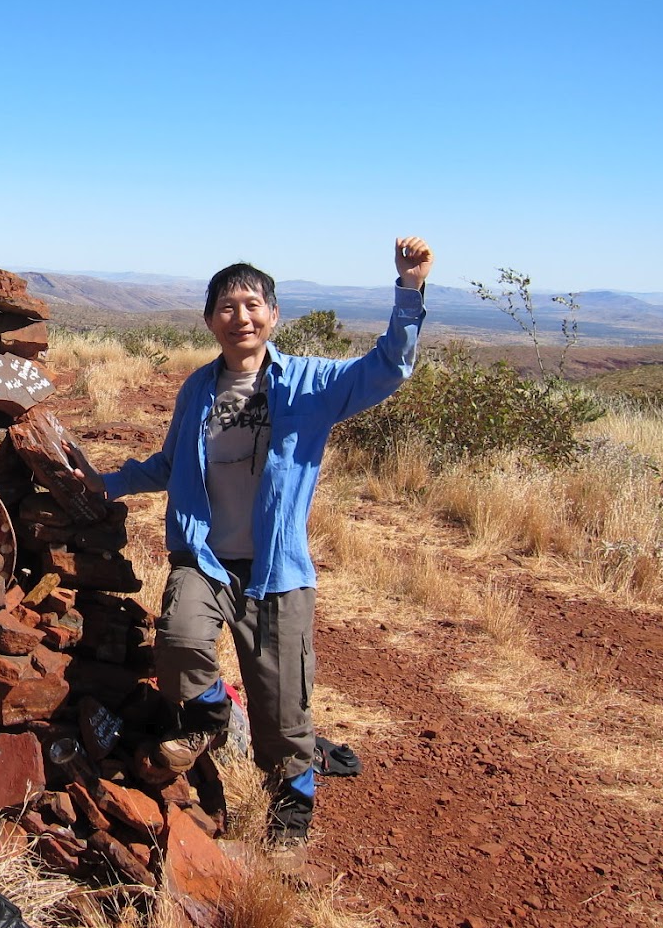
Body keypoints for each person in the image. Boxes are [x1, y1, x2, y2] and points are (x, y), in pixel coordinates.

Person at [89, 236, 433, 843]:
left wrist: (409, 289)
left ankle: (291, 810)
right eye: (226, 306)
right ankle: (212, 708)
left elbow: (389, 367)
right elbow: (170, 465)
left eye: (252, 305)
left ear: (273, 316)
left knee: (283, 709)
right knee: (178, 637)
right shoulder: (197, 389)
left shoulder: (311, 383)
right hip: (207, 557)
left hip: (276, 569)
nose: (240, 317)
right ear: (208, 320)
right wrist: (105, 483)